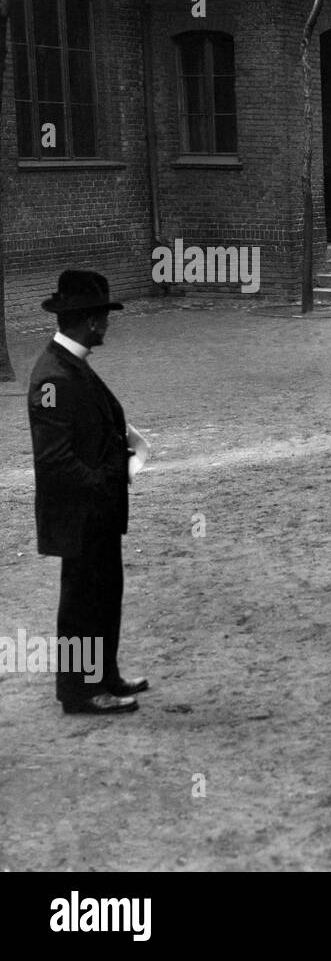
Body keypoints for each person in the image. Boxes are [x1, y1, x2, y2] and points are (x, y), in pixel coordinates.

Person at [27, 271, 147, 715]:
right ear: (93, 322)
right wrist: (103, 485)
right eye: (104, 318)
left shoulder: (71, 365)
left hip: (97, 513)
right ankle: (78, 691)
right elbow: (54, 459)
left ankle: (105, 673)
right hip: (80, 515)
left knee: (104, 593)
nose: (107, 327)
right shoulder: (55, 378)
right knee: (81, 602)